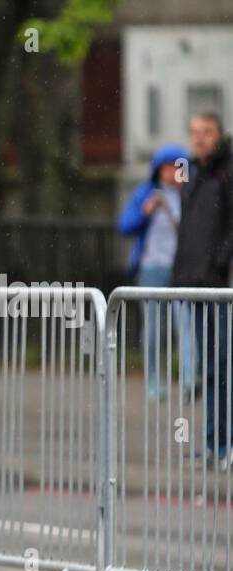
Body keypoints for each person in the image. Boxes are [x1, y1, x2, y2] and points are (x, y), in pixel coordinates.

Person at [173, 112, 233, 468]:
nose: (199, 139)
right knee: (209, 366)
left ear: (218, 134)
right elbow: (189, 231)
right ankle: (214, 443)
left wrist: (218, 263)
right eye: (194, 132)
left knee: (222, 364)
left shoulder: (226, 174)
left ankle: (225, 443)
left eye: (206, 132)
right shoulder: (192, 174)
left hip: (215, 282)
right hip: (193, 280)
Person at [118, 143, 193, 398]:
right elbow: (125, 226)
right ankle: (153, 381)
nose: (172, 173)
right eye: (166, 168)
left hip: (182, 269)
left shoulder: (189, 195)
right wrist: (145, 213)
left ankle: (188, 379)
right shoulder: (146, 193)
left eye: (177, 167)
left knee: (184, 325)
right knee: (153, 329)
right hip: (152, 268)